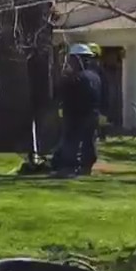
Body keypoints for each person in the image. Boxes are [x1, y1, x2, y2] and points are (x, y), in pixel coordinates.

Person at [52, 43, 103, 176]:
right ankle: (86, 167)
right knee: (89, 142)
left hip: (76, 115)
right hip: (92, 114)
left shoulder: (76, 77)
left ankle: (68, 168)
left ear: (77, 59)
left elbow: (63, 93)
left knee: (71, 141)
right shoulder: (95, 77)